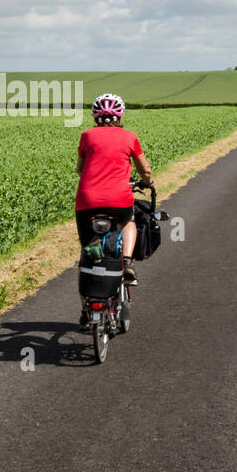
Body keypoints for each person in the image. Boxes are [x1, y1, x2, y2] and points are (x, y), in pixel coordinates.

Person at [75, 93, 152, 311]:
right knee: (129, 222)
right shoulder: (129, 137)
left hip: (87, 200)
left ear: (95, 116)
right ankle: (126, 261)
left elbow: (80, 169)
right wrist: (147, 182)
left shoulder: (86, 136)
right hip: (119, 199)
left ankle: (87, 309)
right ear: (120, 115)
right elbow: (144, 169)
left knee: (87, 252)